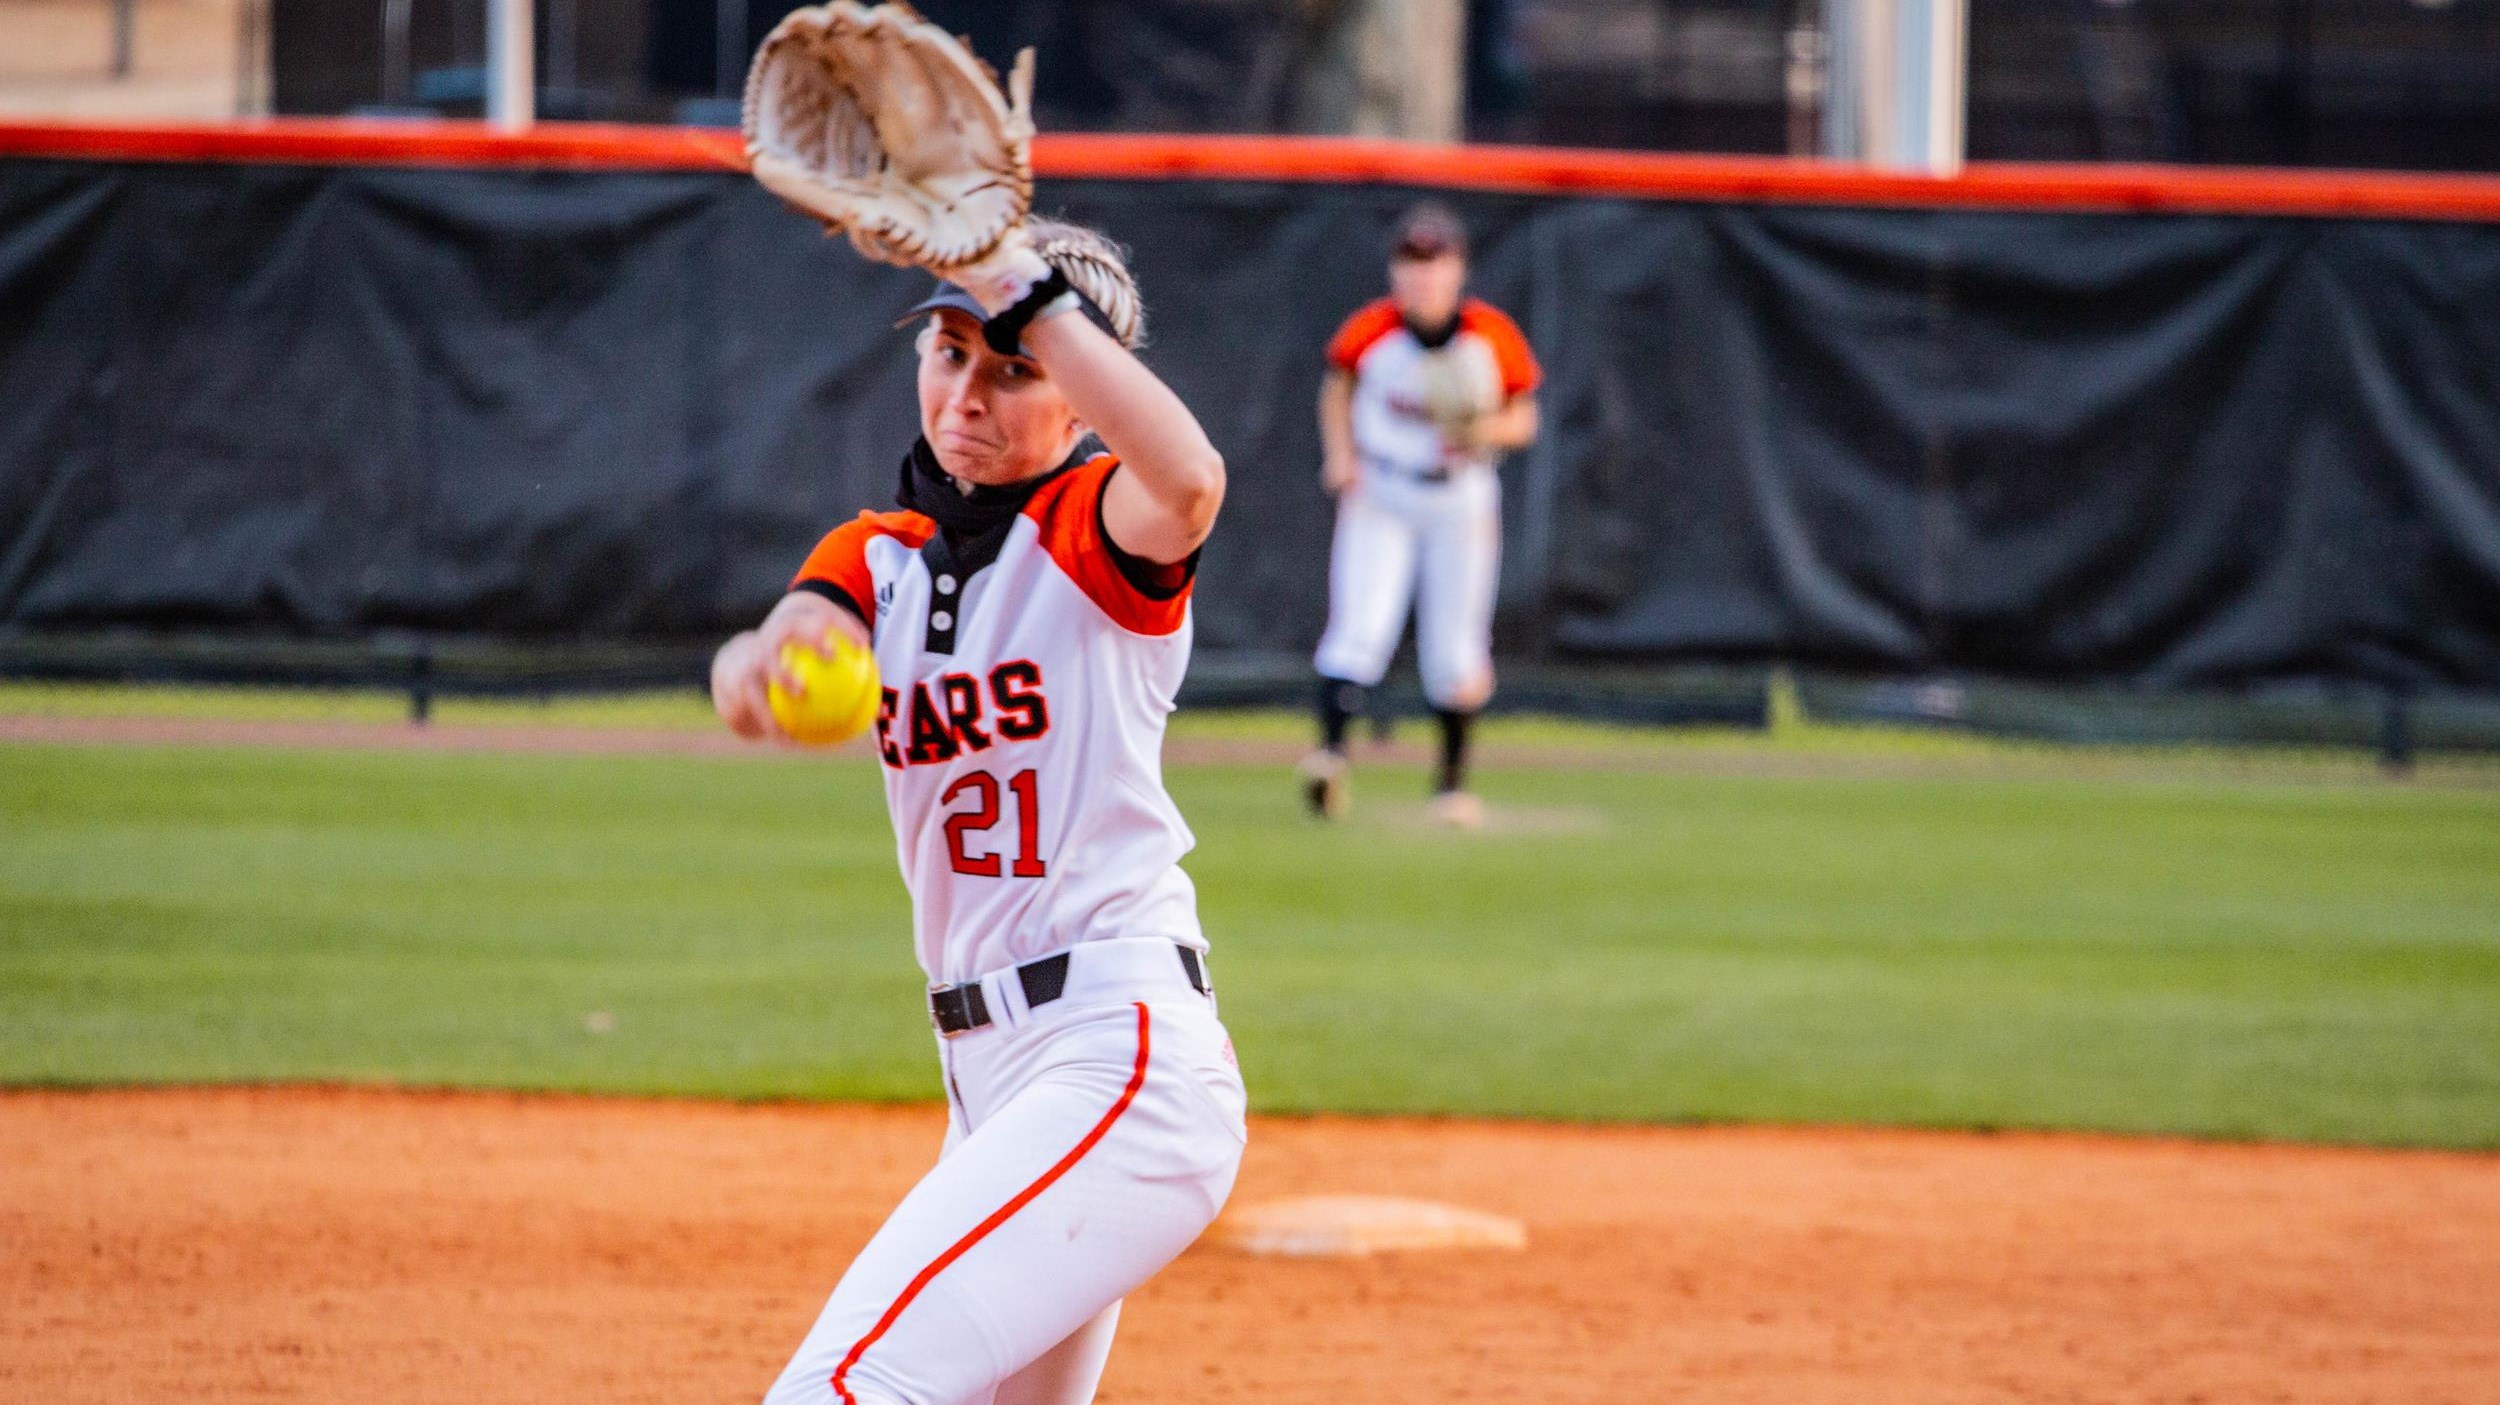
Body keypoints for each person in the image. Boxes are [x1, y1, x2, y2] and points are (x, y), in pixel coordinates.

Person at [711, 219, 1246, 1405]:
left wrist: (1030, 294)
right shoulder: (880, 550)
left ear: (1086, 399)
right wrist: (756, 664)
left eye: (1014, 368)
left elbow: (1192, 479)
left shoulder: (1099, 531)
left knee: (845, 1384)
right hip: (985, 1077)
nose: (968, 390)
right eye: (949, 352)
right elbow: (801, 631)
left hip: (1116, 1058)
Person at [1304, 202, 1542, 828]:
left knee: (1457, 646)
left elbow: (1525, 418)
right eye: (1412, 264)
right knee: (1358, 628)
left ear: (1458, 270)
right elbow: (1338, 384)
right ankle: (1329, 761)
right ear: (1395, 272)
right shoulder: (1371, 331)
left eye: (1434, 264)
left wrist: (1484, 425)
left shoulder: (1490, 336)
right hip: (1382, 490)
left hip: (1459, 495)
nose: (1423, 278)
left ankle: (1452, 785)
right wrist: (1341, 455)